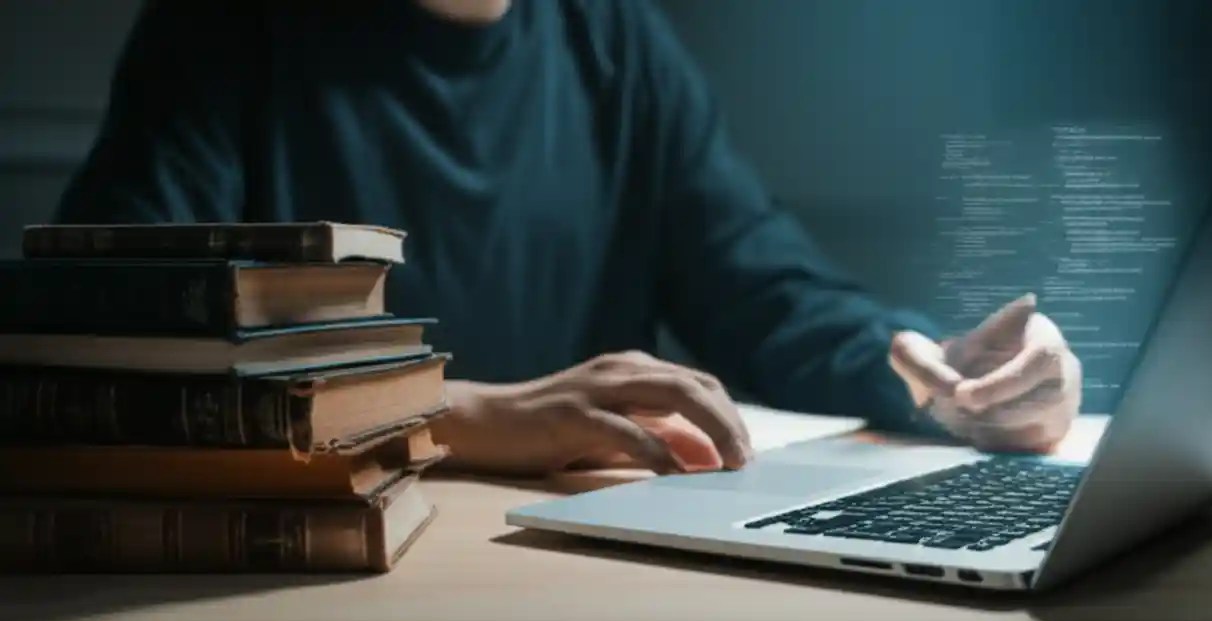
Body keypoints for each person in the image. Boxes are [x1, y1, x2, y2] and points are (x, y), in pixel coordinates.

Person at [55, 0, 1083, 475]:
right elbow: (105, 350)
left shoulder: (611, 38)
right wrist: (450, 415)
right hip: (324, 590)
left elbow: (763, 293)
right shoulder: (225, 31)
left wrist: (938, 375)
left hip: (577, 567)